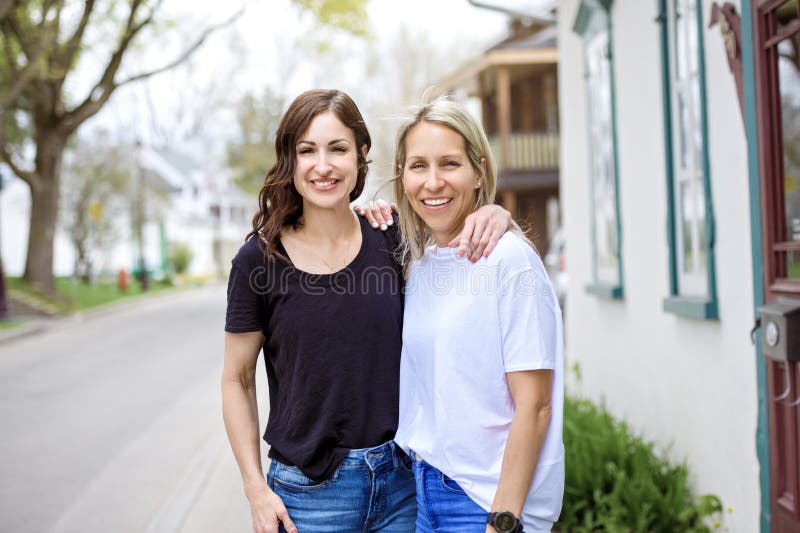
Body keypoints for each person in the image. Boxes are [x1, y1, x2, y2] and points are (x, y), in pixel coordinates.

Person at [221, 89, 513, 533]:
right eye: (307, 151)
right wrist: (254, 488)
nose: (323, 165)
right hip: (307, 498)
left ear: (360, 156)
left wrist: (495, 214)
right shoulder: (258, 262)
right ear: (290, 161)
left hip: (400, 485)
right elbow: (236, 379)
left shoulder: (392, 239)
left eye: (338, 149)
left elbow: (456, 240)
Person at [391, 98, 565, 533]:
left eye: (449, 163)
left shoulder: (509, 261)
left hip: (485, 505)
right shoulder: (420, 263)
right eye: (418, 166)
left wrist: (502, 522)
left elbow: (536, 405)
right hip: (426, 493)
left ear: (479, 171)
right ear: (402, 176)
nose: (433, 182)